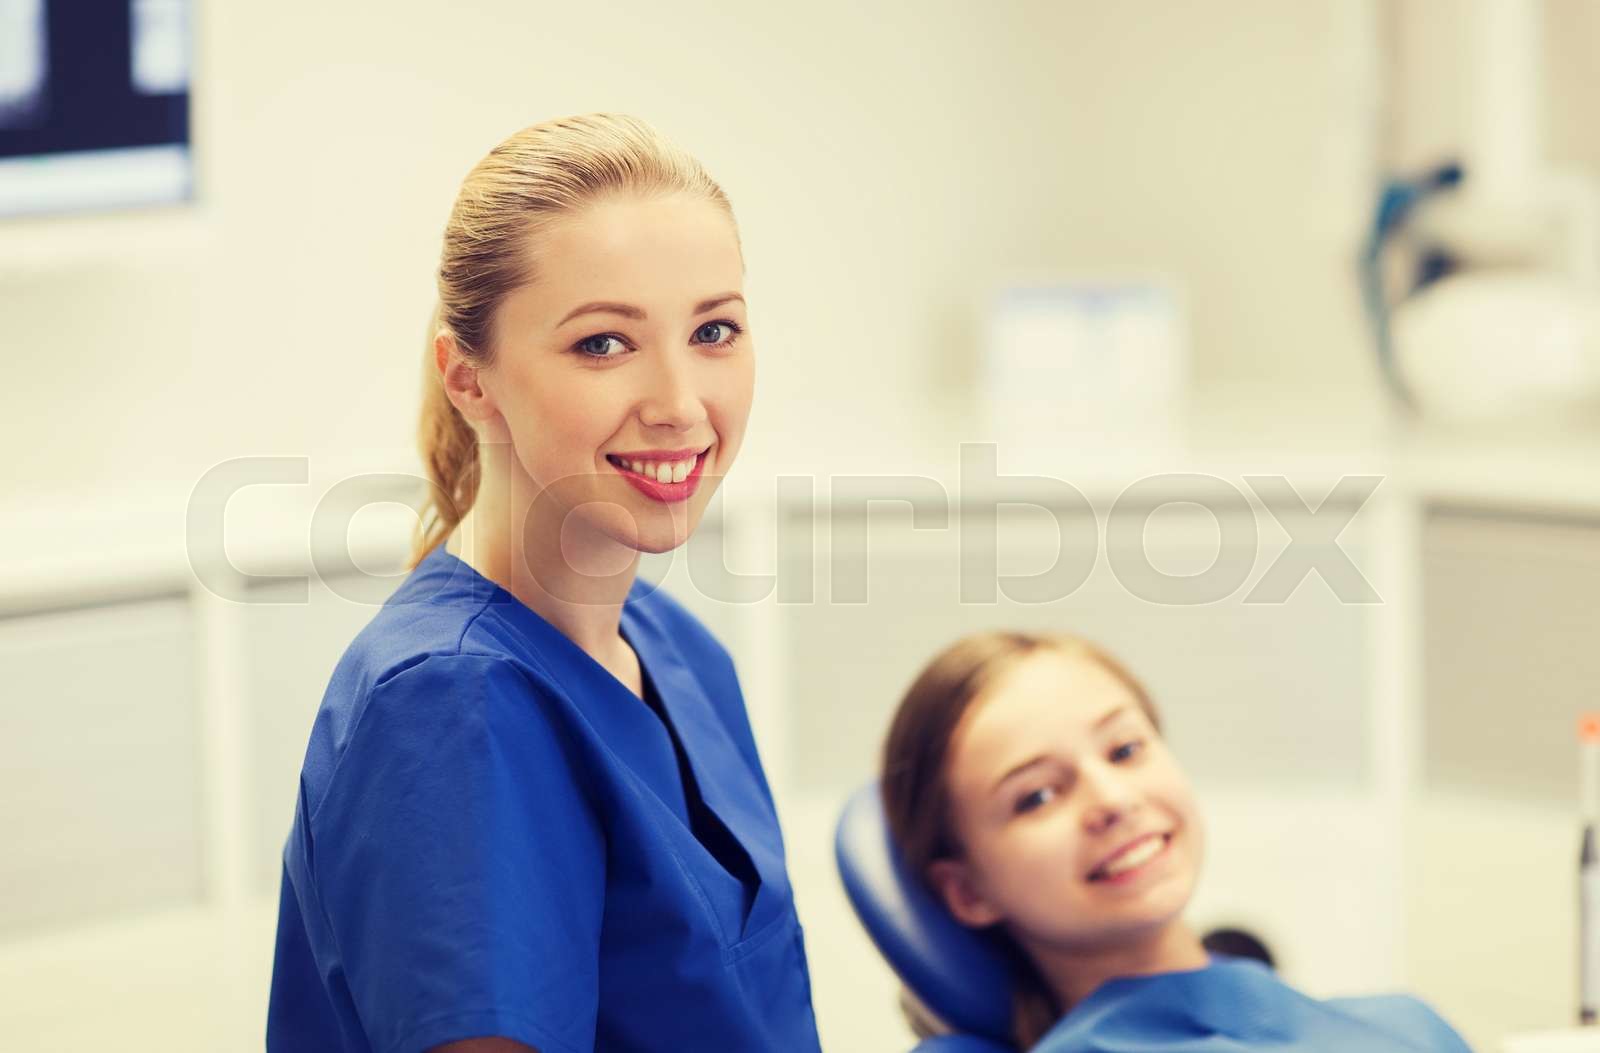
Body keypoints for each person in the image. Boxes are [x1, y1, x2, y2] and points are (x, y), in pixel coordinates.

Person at [266, 114, 822, 1053]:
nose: (680, 404)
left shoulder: (677, 649)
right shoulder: (452, 708)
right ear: (469, 378)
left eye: (714, 329)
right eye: (604, 344)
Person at [879, 631, 1471, 1052]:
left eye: (1125, 750)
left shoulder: (1405, 1024)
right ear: (966, 891)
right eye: (1037, 796)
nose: (1112, 799)